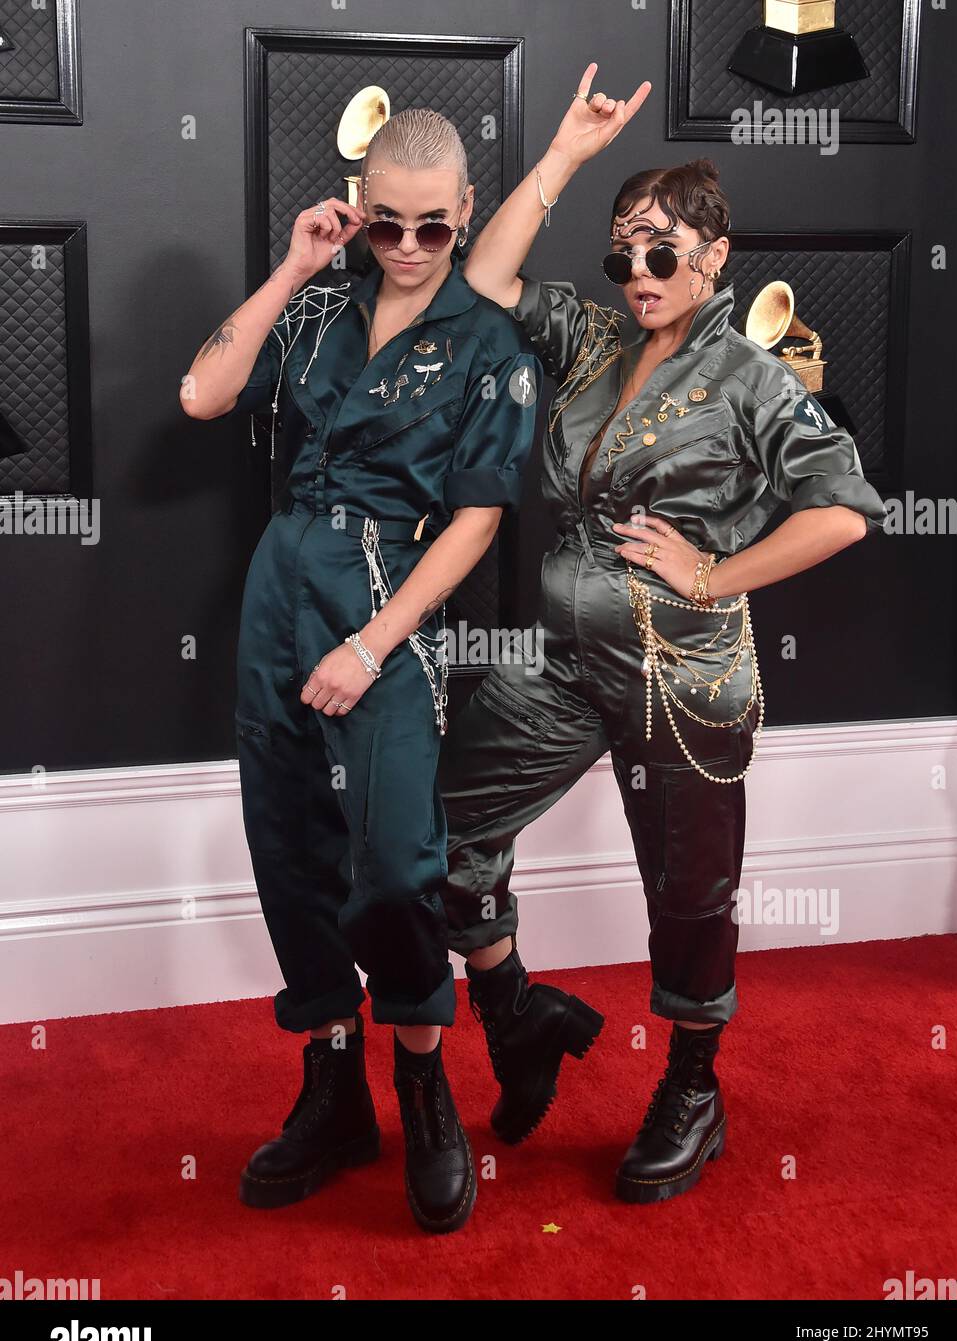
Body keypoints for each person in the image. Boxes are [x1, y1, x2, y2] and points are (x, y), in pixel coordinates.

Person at [438, 64, 887, 1203]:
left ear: (714, 255)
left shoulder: (750, 378)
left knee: (687, 897)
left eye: (661, 252)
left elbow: (842, 508)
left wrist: (717, 569)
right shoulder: (590, 340)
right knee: (441, 827)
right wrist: (564, 160)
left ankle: (693, 1088)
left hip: (680, 678)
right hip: (564, 660)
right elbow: (485, 278)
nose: (637, 274)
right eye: (622, 254)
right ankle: (518, 1013)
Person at [179, 108, 542, 1233]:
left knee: (391, 860)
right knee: (290, 844)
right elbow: (200, 393)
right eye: (386, 224)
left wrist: (371, 643)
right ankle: (332, 1092)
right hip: (280, 579)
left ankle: (422, 1080)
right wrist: (294, 263)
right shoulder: (318, 307)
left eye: (433, 228)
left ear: (465, 216)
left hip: (389, 595)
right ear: (360, 207)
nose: (407, 247)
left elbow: (477, 524)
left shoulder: (489, 342)